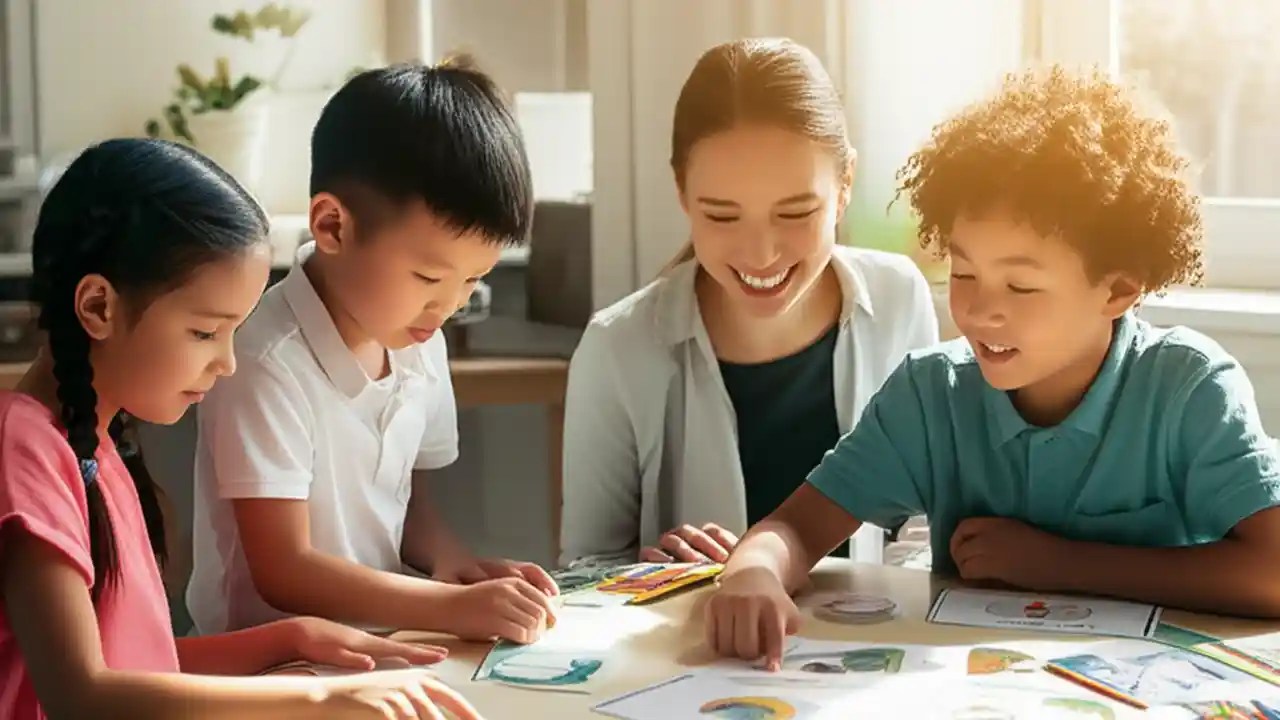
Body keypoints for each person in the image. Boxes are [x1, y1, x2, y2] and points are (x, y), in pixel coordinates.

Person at [704, 66, 1280, 669]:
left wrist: (1059, 564)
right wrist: (752, 574)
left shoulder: (1190, 388)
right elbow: (794, 529)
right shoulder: (930, 396)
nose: (979, 310)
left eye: (1022, 286)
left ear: (1118, 290)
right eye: (964, 274)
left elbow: (1272, 574)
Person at [0, 138, 479, 719]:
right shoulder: (21, 445)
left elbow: (141, 667)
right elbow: (82, 694)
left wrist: (289, 640)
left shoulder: (91, 447)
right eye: (205, 332)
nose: (227, 363)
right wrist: (320, 694)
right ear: (99, 306)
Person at [186, 59, 560, 643]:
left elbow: (405, 500)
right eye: (427, 276)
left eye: (471, 281)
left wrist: (452, 567)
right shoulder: (262, 361)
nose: (449, 306)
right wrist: (444, 609)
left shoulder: (416, 338)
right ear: (333, 226)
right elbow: (283, 569)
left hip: (380, 644)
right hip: (274, 666)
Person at [558, 38, 939, 569]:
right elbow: (585, 569)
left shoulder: (899, 297)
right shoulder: (617, 346)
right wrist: (659, 581)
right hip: (691, 647)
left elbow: (927, 525)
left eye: (795, 213)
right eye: (722, 216)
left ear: (845, 182)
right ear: (682, 192)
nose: (761, 255)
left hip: (868, 641)